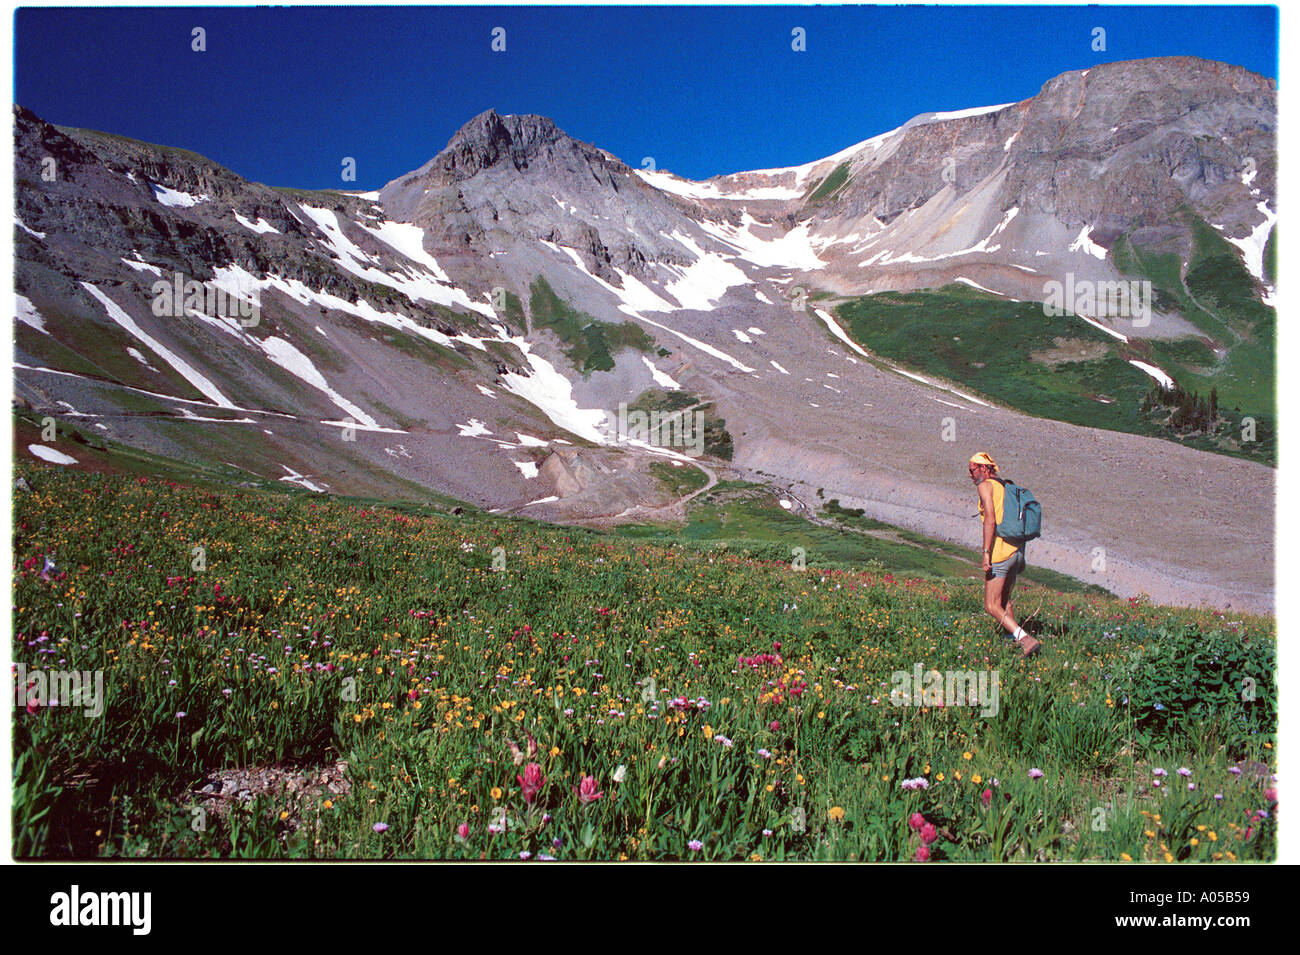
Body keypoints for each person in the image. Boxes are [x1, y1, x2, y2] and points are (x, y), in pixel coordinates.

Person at [968, 452, 1040, 657]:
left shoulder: (985, 486)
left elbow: (990, 520)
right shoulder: (1004, 486)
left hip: (999, 553)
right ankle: (1013, 641)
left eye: (972, 471)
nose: (970, 475)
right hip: (1016, 552)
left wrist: (985, 553)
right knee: (1004, 601)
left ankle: (1025, 639)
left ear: (984, 468)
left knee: (991, 605)